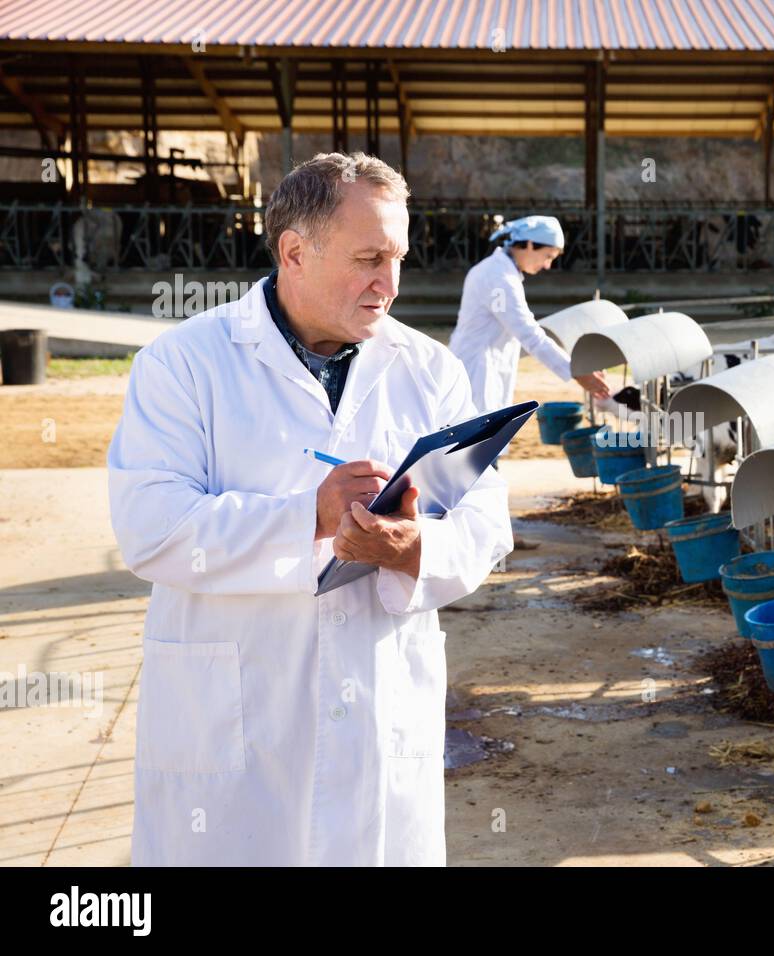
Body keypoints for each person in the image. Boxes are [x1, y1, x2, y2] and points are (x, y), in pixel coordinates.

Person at [106, 152, 512, 866]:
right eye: (369, 258)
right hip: (235, 725)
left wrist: (409, 548)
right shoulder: (183, 365)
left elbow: (486, 524)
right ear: (295, 251)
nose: (389, 284)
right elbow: (152, 527)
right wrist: (310, 519)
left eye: (399, 259)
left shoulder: (430, 370)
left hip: (381, 714)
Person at [450, 215, 610, 422]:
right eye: (548, 256)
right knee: (477, 446)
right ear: (529, 244)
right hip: (477, 372)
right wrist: (576, 372)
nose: (547, 265)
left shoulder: (501, 271)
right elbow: (529, 334)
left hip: (482, 368)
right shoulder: (499, 277)